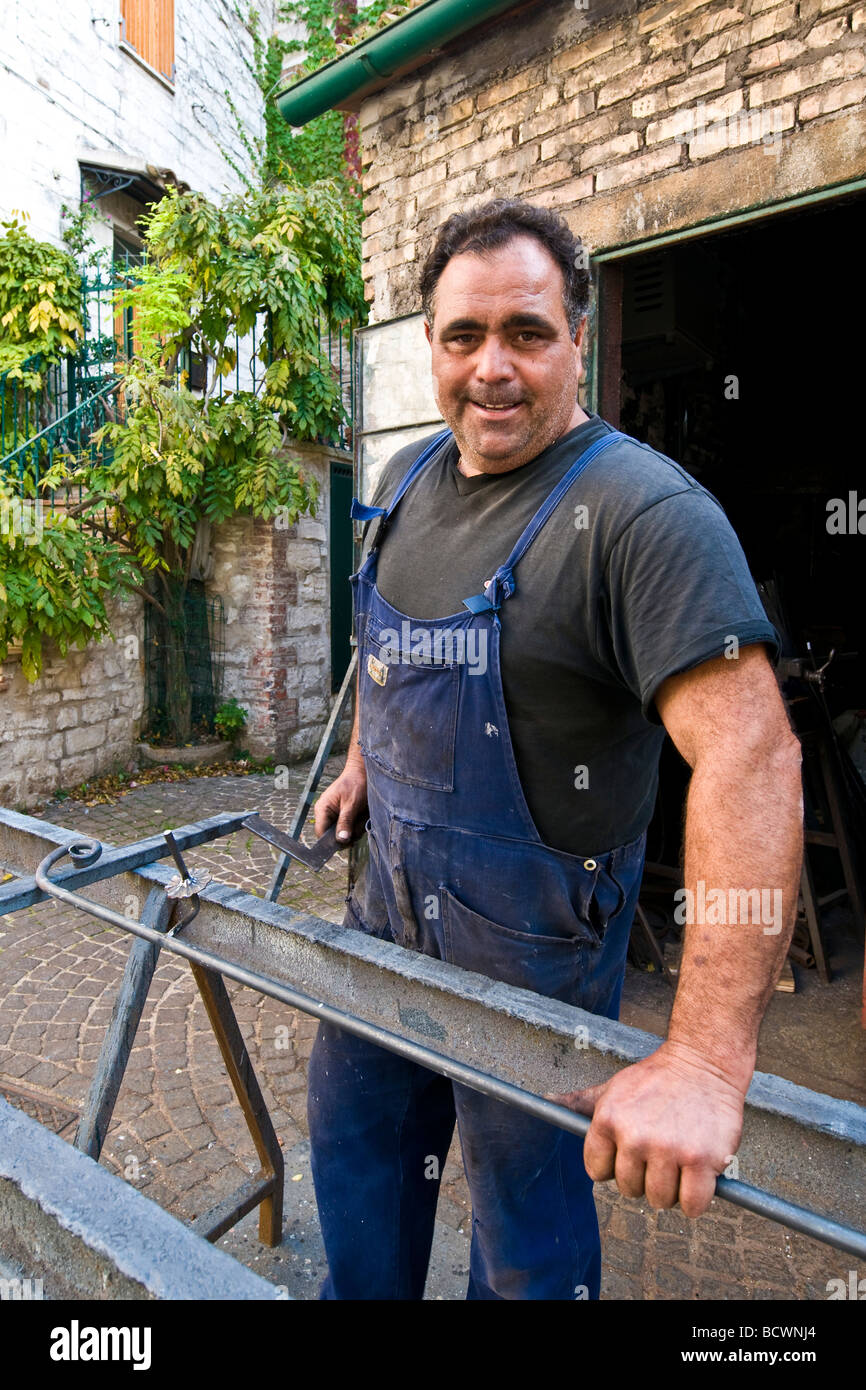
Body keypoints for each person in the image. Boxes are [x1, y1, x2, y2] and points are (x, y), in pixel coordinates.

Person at [309, 198, 803, 1301]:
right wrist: (358, 764)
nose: (493, 368)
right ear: (430, 344)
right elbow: (380, 653)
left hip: (531, 956)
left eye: (526, 334)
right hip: (382, 919)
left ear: (575, 338)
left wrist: (706, 1058)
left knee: (522, 1234)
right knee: (358, 1160)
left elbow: (751, 759)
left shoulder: (640, 514)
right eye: (463, 336)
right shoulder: (398, 490)